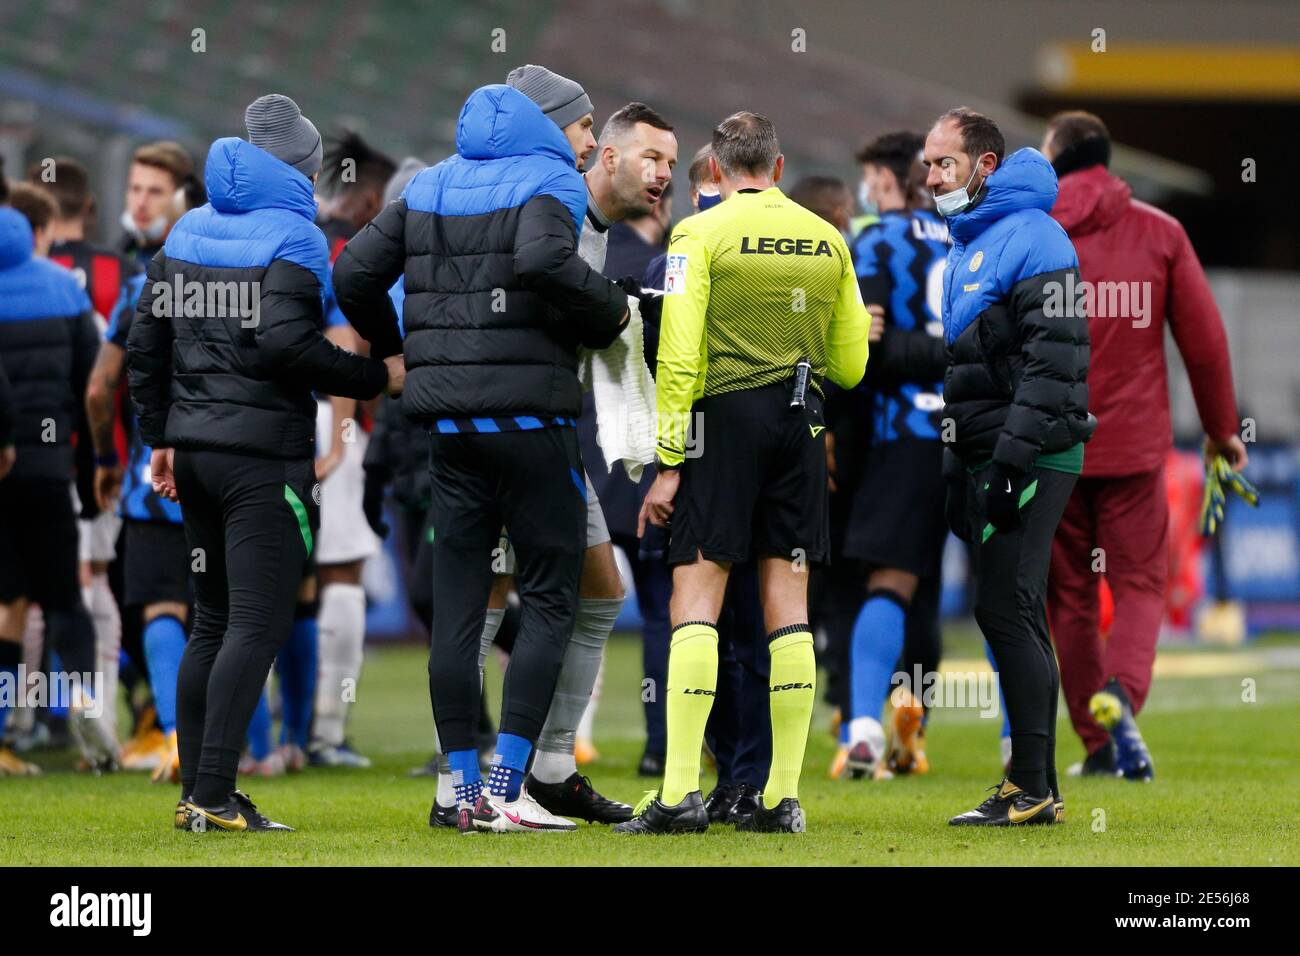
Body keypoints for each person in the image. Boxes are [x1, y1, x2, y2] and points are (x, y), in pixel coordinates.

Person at [333, 71, 628, 833]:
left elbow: (353, 274)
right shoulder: (552, 181)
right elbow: (540, 260)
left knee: (461, 614)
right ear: (551, 124)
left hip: (450, 432)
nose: (593, 140)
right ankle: (506, 789)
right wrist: (609, 314)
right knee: (554, 599)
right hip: (532, 427)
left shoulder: (427, 184)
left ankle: (455, 792)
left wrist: (400, 355)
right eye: (585, 123)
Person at [128, 93, 401, 832]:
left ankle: (198, 792)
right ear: (298, 169)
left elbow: (143, 344)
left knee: (211, 622)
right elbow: (287, 343)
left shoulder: (186, 228)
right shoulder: (296, 234)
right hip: (262, 460)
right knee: (255, 621)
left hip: (197, 460)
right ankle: (214, 795)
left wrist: (163, 434)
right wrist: (377, 378)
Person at [615, 111, 868, 835]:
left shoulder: (697, 234)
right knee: (788, 605)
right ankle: (780, 799)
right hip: (801, 425)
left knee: (695, 593)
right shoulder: (828, 239)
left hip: (720, 427)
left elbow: (683, 358)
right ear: (781, 168)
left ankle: (678, 795)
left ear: (717, 171)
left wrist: (668, 461)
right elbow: (850, 365)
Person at [1040, 111, 1245, 782]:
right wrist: (1221, 432)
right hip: (1132, 446)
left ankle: (1097, 745)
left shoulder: (1034, 234)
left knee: (1068, 596)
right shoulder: (1160, 232)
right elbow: (1206, 343)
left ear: (1059, 158)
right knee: (1139, 584)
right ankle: (1122, 696)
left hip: (1051, 442)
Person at [925, 108, 1093, 827]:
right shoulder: (975, 240)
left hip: (1031, 453)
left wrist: (1008, 463)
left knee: (1010, 608)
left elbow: (1053, 368)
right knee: (1006, 611)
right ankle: (1034, 786)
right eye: (928, 164)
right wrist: (957, 457)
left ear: (984, 165)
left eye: (943, 162)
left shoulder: (1037, 237)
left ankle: (1032, 787)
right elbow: (974, 371)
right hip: (992, 450)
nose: (930, 175)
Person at [840, 133, 951, 780]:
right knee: (997, 597)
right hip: (981, 431)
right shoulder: (980, 239)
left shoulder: (879, 240)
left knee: (890, 582)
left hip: (903, 433)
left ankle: (860, 728)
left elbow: (865, 350)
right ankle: (1015, 745)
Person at [88, 179, 204, 784]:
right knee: (231, 613)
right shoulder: (252, 282)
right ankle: (263, 745)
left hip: (150, 480)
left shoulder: (140, 287)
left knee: (160, 607)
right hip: (231, 471)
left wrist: (106, 460)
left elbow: (99, 387)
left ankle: (178, 734)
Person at [0, 206, 111, 776]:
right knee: (65, 598)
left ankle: (3, 730)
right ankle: (86, 702)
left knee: (8, 603)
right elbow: (92, 392)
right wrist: (95, 476)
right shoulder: (63, 292)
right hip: (49, 471)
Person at [119, 142, 194, 270]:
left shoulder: (195, 267)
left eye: (155, 192)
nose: (141, 203)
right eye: (135, 189)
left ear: (180, 200)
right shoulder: (119, 255)